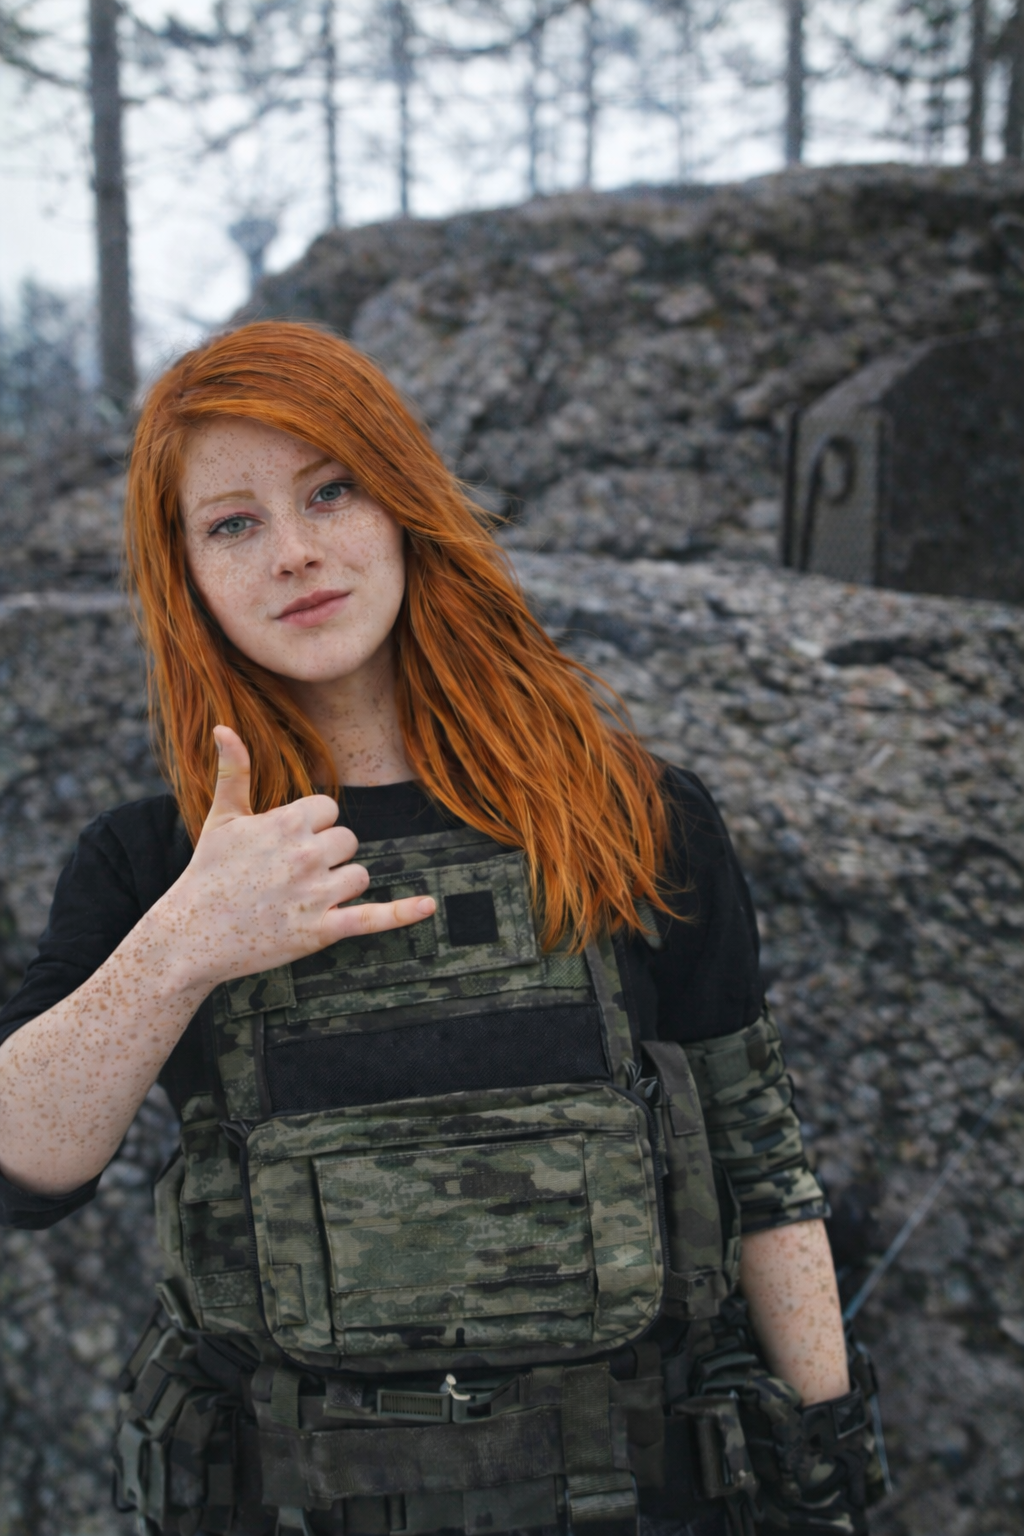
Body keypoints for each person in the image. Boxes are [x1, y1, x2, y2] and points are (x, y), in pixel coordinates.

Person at [0, 322, 878, 1536]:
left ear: (403, 501)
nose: (295, 553)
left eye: (331, 491)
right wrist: (184, 941)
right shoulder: (159, 863)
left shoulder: (631, 814)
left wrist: (829, 1479)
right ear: (186, 572)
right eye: (233, 524)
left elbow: (764, 1177)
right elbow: (24, 1165)